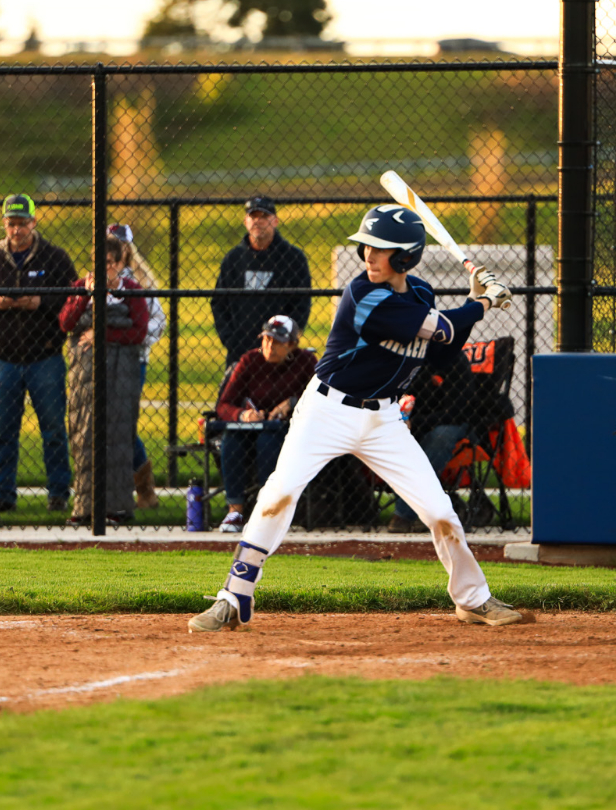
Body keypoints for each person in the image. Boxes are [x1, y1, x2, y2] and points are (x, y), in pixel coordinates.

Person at [189, 204, 522, 632]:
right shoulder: (363, 294)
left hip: (384, 420)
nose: (368, 255)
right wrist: (481, 302)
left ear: (405, 256)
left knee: (440, 510)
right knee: (278, 494)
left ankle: (472, 599)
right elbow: (444, 328)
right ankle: (233, 598)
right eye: (367, 246)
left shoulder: (421, 294)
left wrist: (472, 307)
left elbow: (442, 348)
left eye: (380, 249)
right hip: (326, 412)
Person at [0, 193, 77, 512]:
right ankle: (3, 496)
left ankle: (58, 494)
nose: (16, 230)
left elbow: (74, 299)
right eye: (11, 224)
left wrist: (41, 303)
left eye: (22, 224)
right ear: (4, 224)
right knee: (3, 433)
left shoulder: (54, 258)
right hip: (5, 360)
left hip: (45, 357)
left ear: (34, 222)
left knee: (54, 430)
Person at [59, 234, 149, 524]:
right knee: (85, 436)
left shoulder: (131, 291)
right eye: (98, 263)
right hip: (85, 374)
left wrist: (102, 334)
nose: (103, 269)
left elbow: (138, 331)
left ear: (120, 264)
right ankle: (85, 508)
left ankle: (117, 508)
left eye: (109, 263)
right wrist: (85, 296)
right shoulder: (80, 287)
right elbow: (66, 323)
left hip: (121, 372)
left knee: (118, 437)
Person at [212, 314, 318, 533]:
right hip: (251, 428)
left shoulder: (306, 362)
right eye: (266, 339)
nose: (270, 346)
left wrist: (293, 403)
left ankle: (267, 512)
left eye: (277, 342)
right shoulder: (250, 360)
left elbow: (320, 397)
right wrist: (243, 415)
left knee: (267, 441)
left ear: (292, 344)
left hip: (289, 429)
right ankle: (235, 512)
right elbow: (224, 404)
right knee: (232, 439)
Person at [387, 346, 486, 533]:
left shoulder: (454, 358)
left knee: (440, 436)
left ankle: (404, 514)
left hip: (455, 424)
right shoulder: (407, 357)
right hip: (413, 423)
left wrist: (416, 422)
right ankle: (420, 510)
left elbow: (457, 412)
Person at [210, 195, 313, 368]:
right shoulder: (233, 259)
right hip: (239, 353)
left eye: (264, 216)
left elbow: (301, 304)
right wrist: (230, 340)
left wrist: (286, 341)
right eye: (253, 216)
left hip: (279, 353)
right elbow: (219, 303)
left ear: (275, 221)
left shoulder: (293, 258)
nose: (258, 221)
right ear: (245, 221)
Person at [109, 223, 166, 509]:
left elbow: (158, 322)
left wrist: (136, 337)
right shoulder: (98, 278)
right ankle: (113, 490)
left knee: (123, 424)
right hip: (103, 359)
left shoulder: (140, 281)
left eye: (119, 243)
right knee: (104, 423)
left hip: (133, 360)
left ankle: (145, 490)